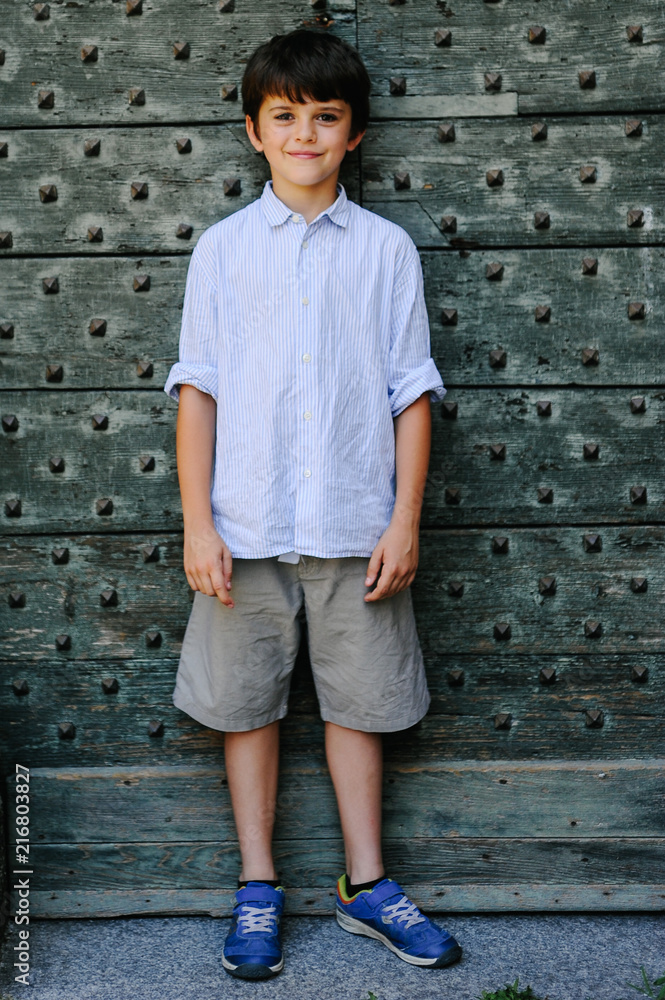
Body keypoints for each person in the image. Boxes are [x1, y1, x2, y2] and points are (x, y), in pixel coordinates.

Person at [163, 26, 462, 981]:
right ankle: (257, 885)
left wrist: (403, 520)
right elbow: (198, 388)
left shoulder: (384, 250)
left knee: (360, 707)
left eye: (325, 117)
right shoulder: (222, 250)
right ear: (254, 132)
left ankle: (366, 885)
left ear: (354, 133)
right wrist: (198, 523)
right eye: (284, 117)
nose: (305, 135)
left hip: (352, 524)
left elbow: (410, 390)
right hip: (243, 527)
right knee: (245, 708)